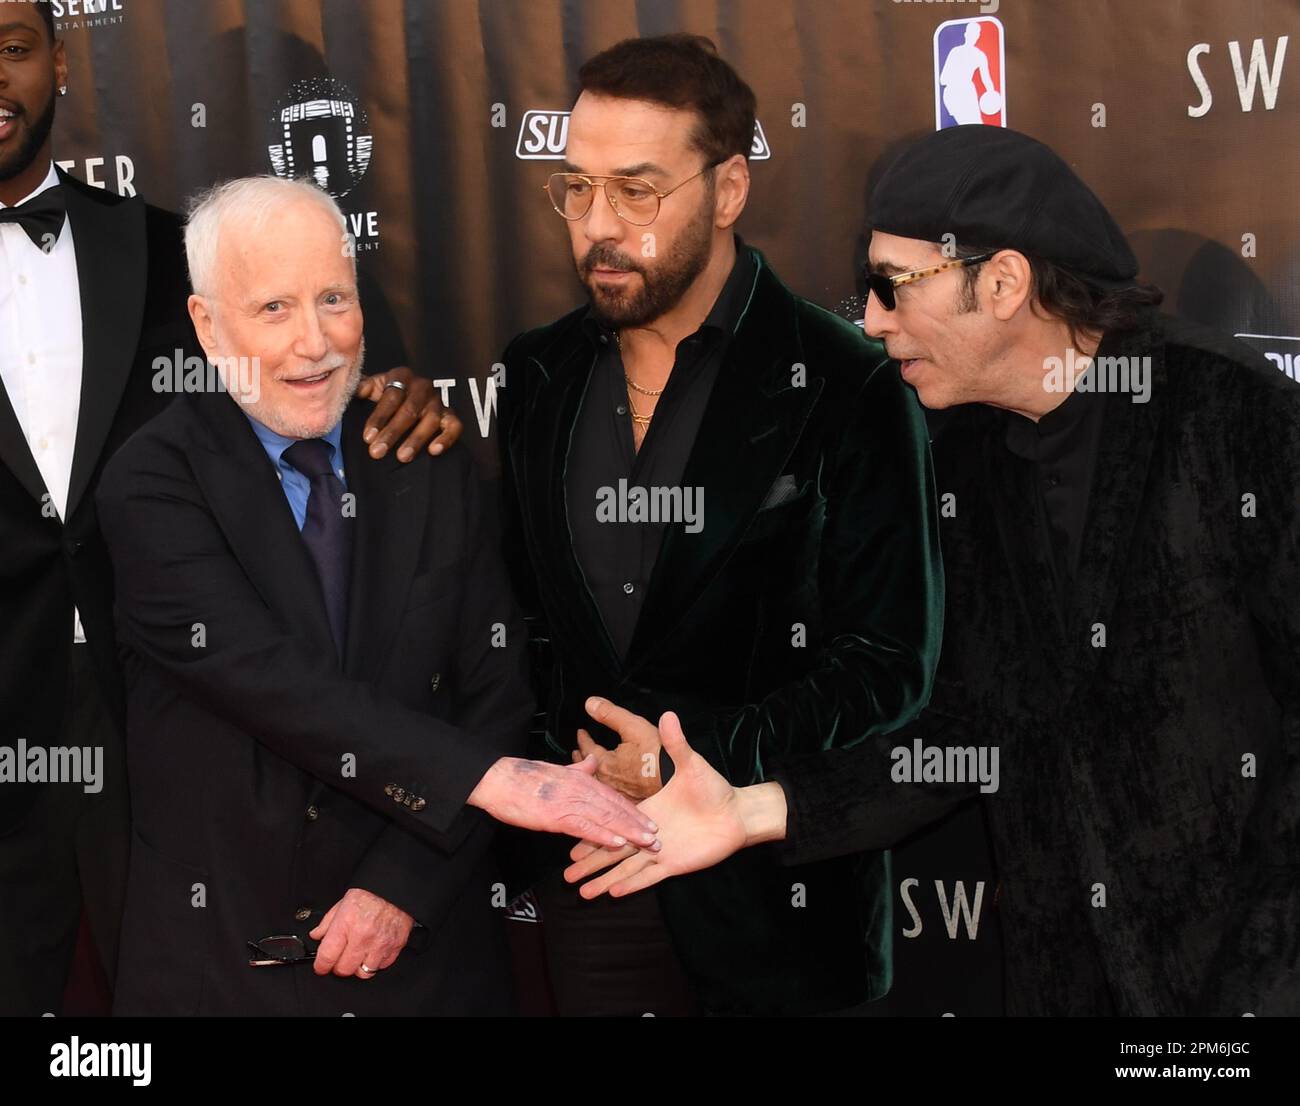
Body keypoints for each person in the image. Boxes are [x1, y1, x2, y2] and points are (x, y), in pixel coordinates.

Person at [567, 125, 1300, 1018]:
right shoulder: (958, 457)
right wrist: (754, 810)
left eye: (893, 287)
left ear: (1002, 283)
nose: (869, 318)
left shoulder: (1227, 412)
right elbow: (966, 726)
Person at [94, 175, 660, 1015]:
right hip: (223, 971)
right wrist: (494, 780)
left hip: (430, 962)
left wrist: (402, 885)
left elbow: (496, 692)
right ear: (209, 328)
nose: (315, 343)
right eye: (274, 309)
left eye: (334, 298)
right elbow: (271, 685)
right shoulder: (151, 482)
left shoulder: (423, 460)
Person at [0, 0, 457, 1015]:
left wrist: (400, 398)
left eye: (15, 48)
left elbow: (322, 381)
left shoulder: (179, 254)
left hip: (188, 706)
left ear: (60, 61)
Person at [497, 34, 942, 1016]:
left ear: (728, 187)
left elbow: (888, 663)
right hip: (589, 879)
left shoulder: (845, 382)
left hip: (779, 906)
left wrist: (683, 748)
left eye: (636, 190)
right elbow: (517, 616)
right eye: (575, 188)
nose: (597, 227)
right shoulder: (535, 373)